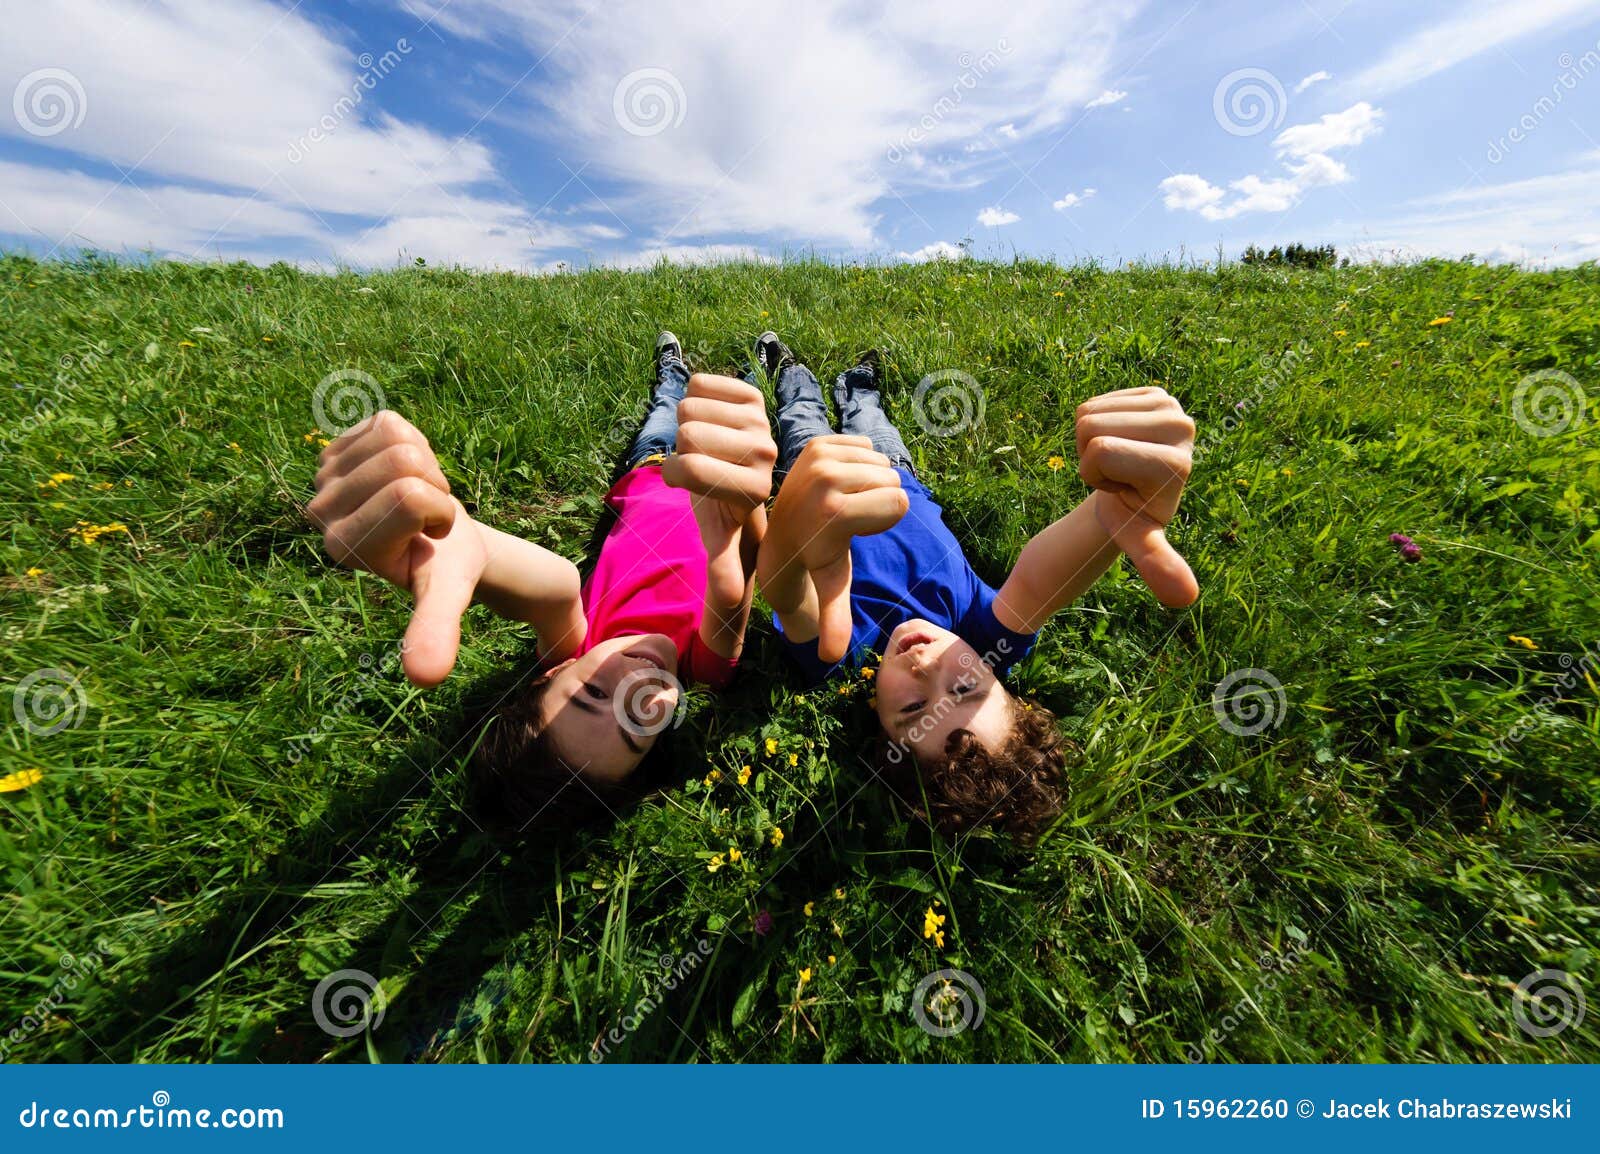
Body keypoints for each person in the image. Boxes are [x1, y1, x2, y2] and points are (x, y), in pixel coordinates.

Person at [306, 332, 776, 832]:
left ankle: (672, 368)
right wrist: (739, 523)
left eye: (593, 694)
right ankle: (755, 368)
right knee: (741, 406)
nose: (634, 684)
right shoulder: (702, 667)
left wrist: (476, 547)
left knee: (666, 404)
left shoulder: (578, 642)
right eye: (638, 720)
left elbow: (553, 588)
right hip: (721, 477)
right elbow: (734, 584)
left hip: (650, 465)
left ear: (552, 674)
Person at [739, 332, 1199, 840]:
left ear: (881, 728)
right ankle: (858, 386)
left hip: (815, 483)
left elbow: (784, 590)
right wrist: (1110, 514)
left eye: (913, 708)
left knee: (801, 415)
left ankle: (790, 368)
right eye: (964, 687)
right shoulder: (981, 635)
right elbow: (1042, 584)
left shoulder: (841, 657)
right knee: (871, 418)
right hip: (897, 472)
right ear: (996, 676)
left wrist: (786, 529)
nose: (926, 667)